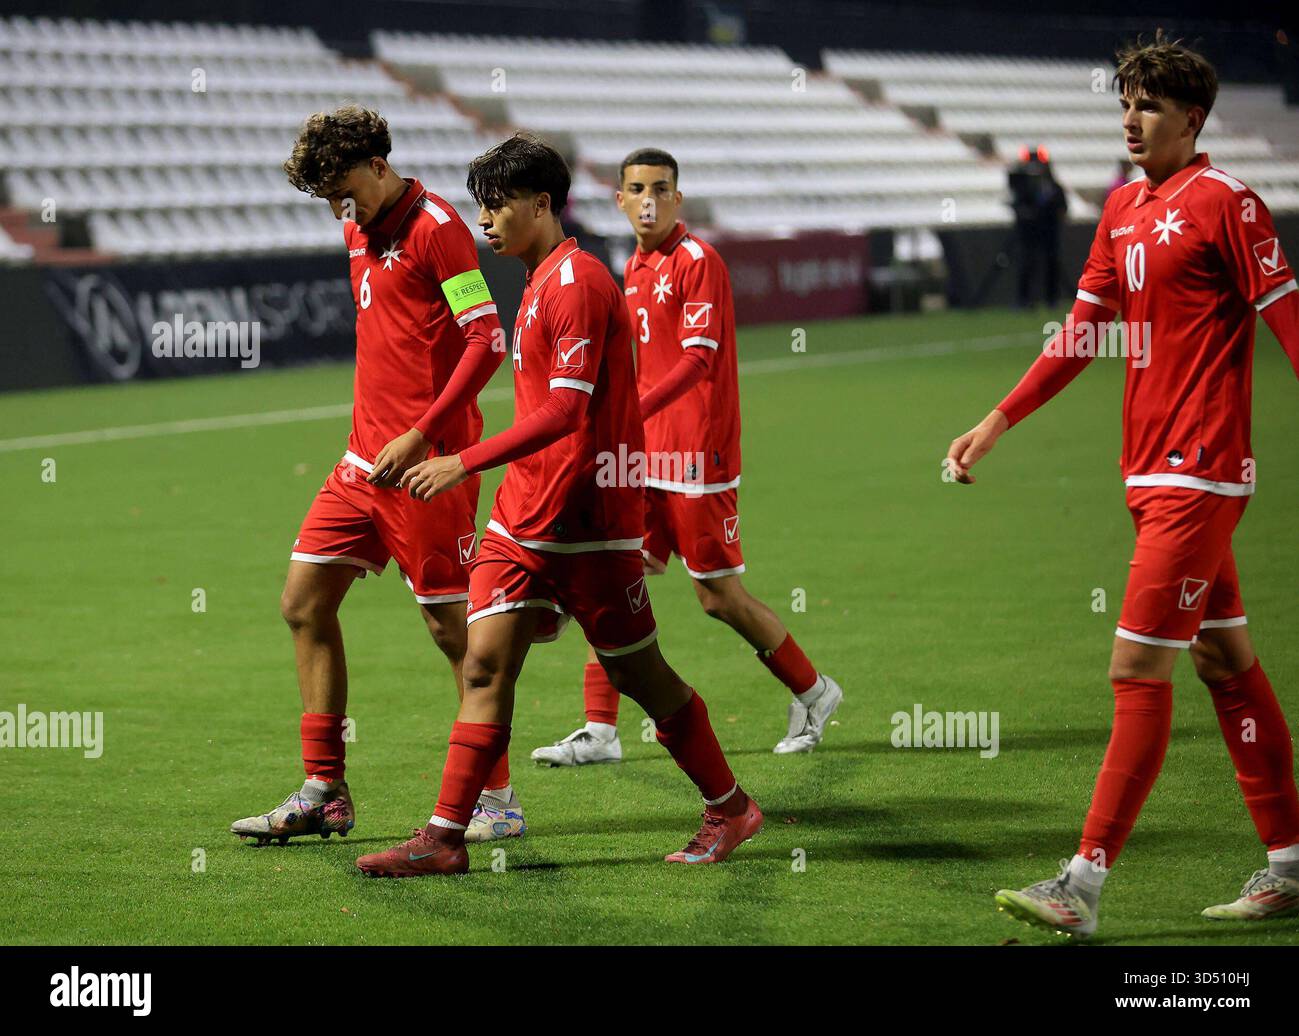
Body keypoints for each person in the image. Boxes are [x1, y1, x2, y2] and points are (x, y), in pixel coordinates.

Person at [947, 35, 1299, 937]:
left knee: (1136, 669)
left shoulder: (1229, 203)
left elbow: (1289, 322)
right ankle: (1293, 865)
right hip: (1147, 471)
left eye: (1148, 106)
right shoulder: (1120, 210)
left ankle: (1082, 883)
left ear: (1192, 118)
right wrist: (997, 420)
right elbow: (1082, 332)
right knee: (1225, 663)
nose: (1131, 120)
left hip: (1202, 474)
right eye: (1124, 105)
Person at [354, 134, 763, 878]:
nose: (486, 221)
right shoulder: (540, 278)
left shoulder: (577, 282)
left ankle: (731, 808)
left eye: (498, 205)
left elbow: (563, 417)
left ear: (542, 205)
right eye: (480, 206)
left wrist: (459, 460)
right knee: (482, 665)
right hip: (522, 516)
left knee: (643, 676)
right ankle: (444, 838)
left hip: (589, 521)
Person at [230, 106, 522, 846]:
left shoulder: (438, 230)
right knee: (303, 601)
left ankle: (498, 801)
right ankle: (324, 790)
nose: (340, 208)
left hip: (427, 468)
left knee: (452, 631)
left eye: (344, 189)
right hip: (361, 466)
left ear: (378, 164)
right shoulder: (356, 226)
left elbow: (487, 339)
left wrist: (423, 434)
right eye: (327, 198)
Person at [531, 148, 842, 768]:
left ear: (679, 197)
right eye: (637, 188)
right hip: (647, 454)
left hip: (699, 453)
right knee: (611, 576)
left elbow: (698, 361)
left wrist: (632, 409)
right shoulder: (635, 266)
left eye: (661, 188)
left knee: (718, 596)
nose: (648, 198)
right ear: (618, 198)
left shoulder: (697, 262)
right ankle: (601, 729)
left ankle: (813, 692)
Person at [1008, 145, 1067, 308]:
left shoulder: (1054, 187)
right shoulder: (1023, 187)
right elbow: (1018, 205)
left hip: (1049, 231)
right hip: (1030, 233)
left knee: (1051, 264)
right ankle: (1025, 300)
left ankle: (1052, 299)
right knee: (1028, 264)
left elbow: (1063, 208)